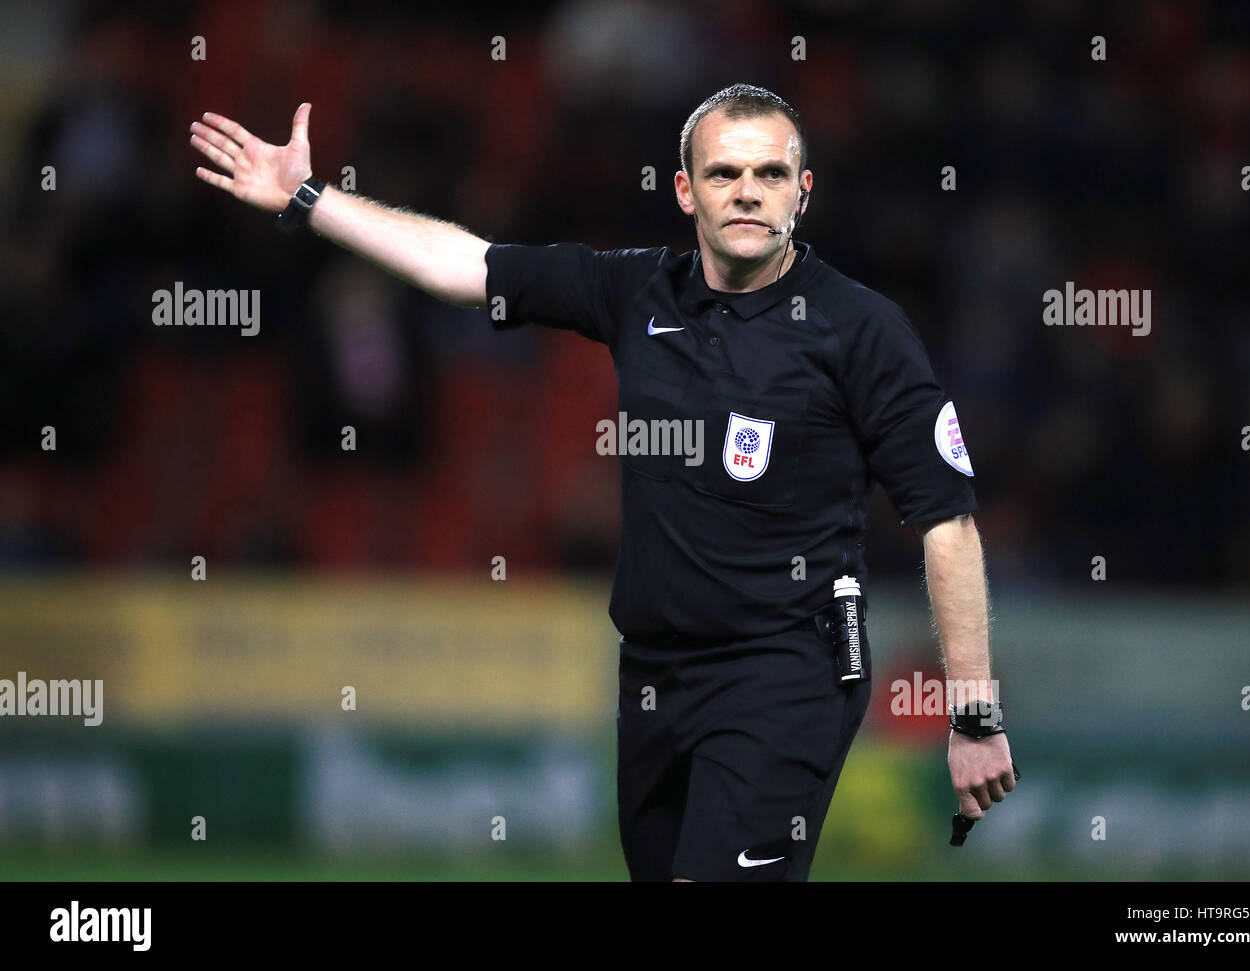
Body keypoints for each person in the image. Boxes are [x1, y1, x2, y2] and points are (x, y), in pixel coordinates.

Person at [190, 82, 1016, 881]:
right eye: (724, 173)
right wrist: (308, 199)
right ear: (685, 191)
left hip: (786, 669)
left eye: (769, 174)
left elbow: (948, 521)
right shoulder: (635, 290)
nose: (748, 192)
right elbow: (466, 266)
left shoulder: (862, 330)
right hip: (654, 676)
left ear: (804, 190)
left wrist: (973, 714)